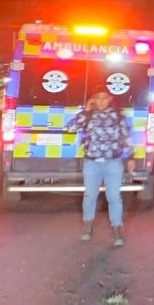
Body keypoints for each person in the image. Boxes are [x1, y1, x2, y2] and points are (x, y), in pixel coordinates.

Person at [66, 83, 134, 247]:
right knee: (90, 196)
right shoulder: (88, 115)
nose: (102, 101)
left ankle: (117, 231)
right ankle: (87, 227)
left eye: (105, 98)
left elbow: (126, 136)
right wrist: (87, 110)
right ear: (93, 100)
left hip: (113, 163)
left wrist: (131, 156)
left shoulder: (118, 116)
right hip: (92, 163)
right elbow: (70, 128)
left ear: (110, 99)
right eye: (98, 98)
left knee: (114, 197)